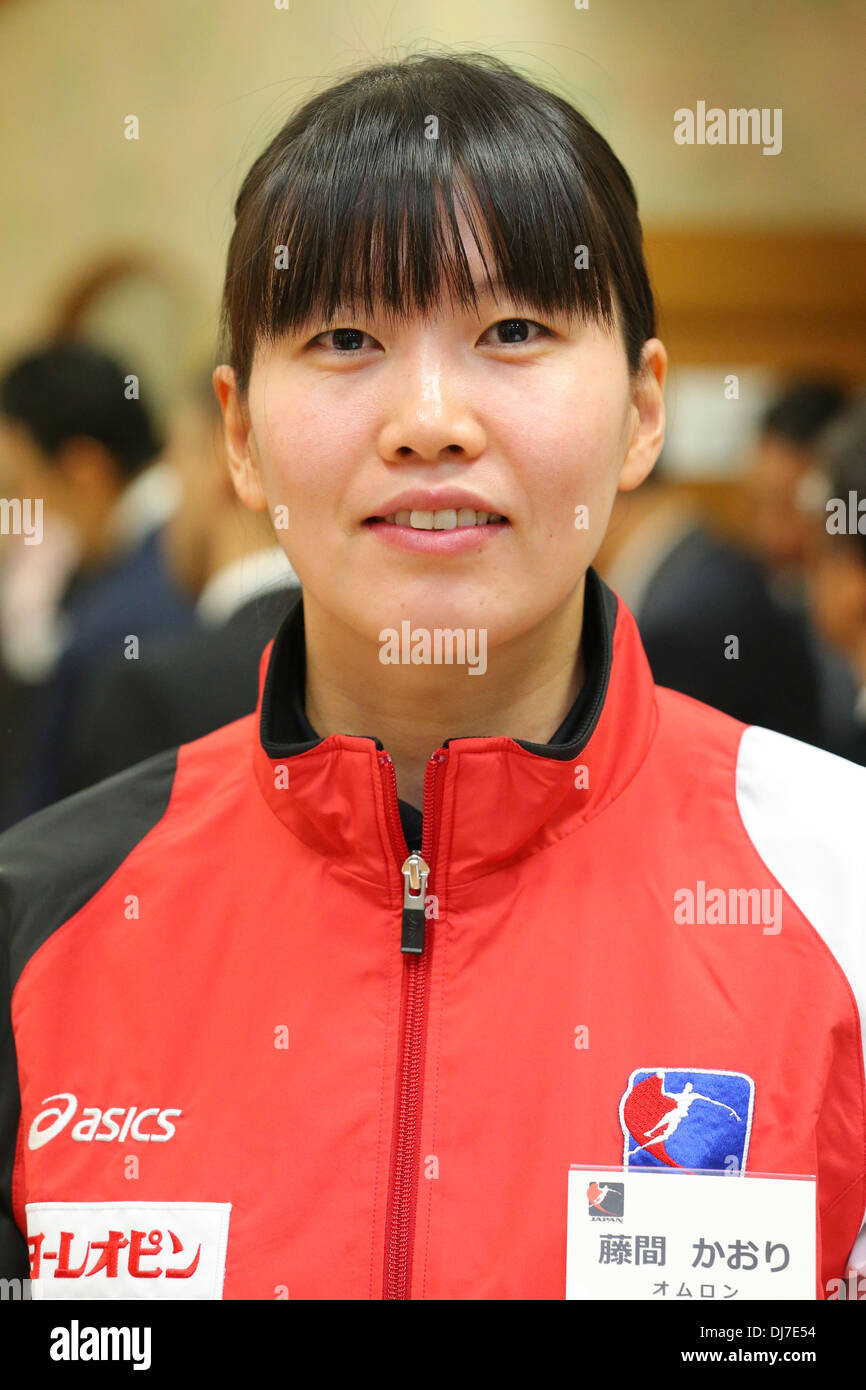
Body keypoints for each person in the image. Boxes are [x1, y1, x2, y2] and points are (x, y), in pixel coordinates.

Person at [0, 51, 863, 1301]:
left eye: (511, 331)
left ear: (640, 410)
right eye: (344, 337)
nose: (428, 418)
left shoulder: (837, 884)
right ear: (239, 435)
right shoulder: (43, 921)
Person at [59, 367, 300, 793]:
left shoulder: (144, 692)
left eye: (174, 466)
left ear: (232, 454)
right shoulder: (379, 671)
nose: (168, 509)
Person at [0, 343, 196, 825]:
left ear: (84, 471)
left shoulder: (120, 619)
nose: (21, 511)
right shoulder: (123, 576)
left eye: (21, 487)